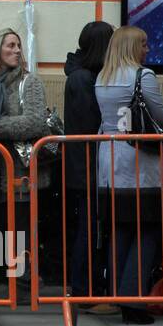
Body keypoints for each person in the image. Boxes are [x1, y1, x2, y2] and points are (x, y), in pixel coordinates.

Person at [95, 25, 163, 325]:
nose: (147, 49)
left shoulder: (103, 78)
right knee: (148, 229)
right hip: (142, 161)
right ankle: (134, 299)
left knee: (120, 229)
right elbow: (162, 116)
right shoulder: (143, 76)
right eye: (143, 44)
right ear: (131, 47)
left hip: (110, 161)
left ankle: (118, 293)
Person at [0, 28, 51, 290]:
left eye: (18, 46)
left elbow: (35, 122)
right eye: (10, 45)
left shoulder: (28, 82)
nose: (17, 50)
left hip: (22, 167)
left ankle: (24, 284)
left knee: (21, 226)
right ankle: (12, 279)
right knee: (4, 227)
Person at [62, 21, 114, 305]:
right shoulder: (84, 79)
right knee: (90, 227)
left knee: (91, 226)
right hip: (89, 166)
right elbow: (90, 123)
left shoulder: (83, 75)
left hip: (88, 164)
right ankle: (84, 289)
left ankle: (88, 286)